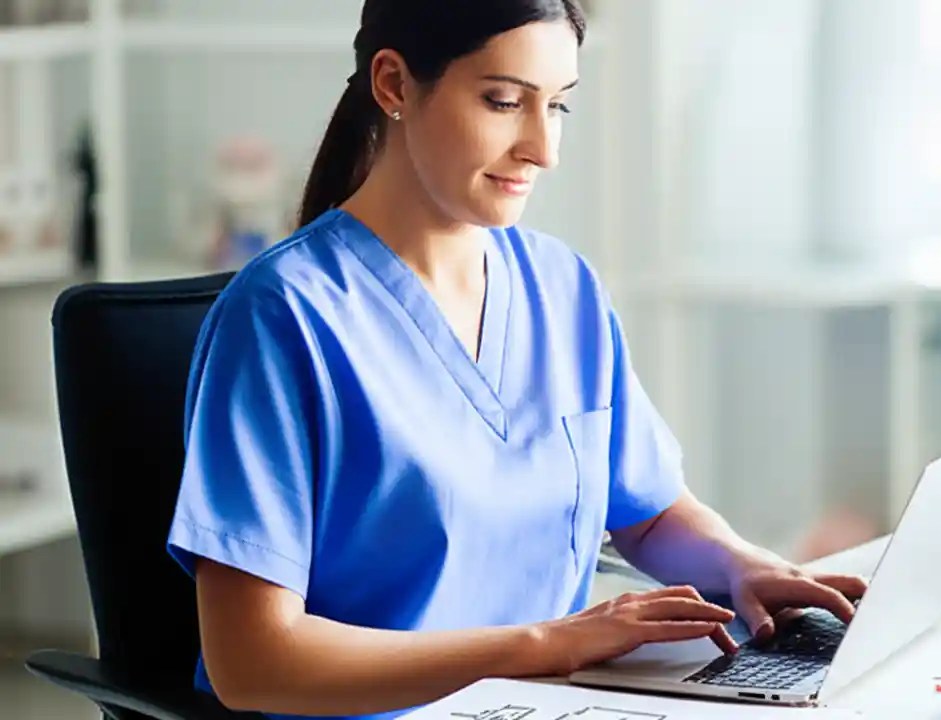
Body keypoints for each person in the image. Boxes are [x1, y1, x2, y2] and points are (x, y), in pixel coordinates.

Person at [166, 2, 866, 719]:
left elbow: (646, 512)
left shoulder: (562, 288)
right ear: (393, 84)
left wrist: (738, 563)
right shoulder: (284, 317)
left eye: (558, 106)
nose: (543, 147)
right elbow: (252, 662)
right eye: (504, 102)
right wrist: (541, 646)